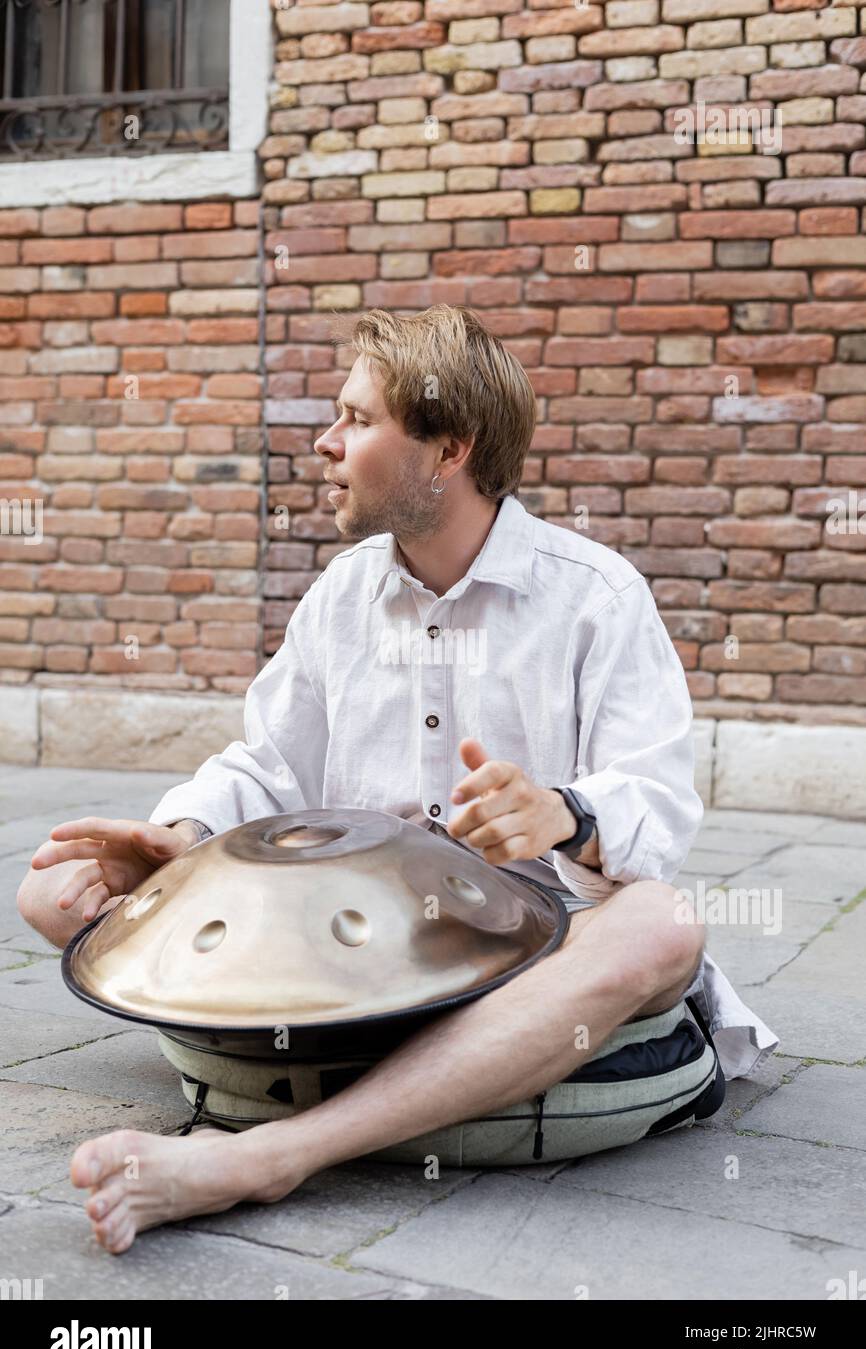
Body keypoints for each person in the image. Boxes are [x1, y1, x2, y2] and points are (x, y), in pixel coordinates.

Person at [17, 305, 779, 1256]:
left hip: (540, 941)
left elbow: (659, 805)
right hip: (360, 942)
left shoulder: (596, 595)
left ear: (448, 447)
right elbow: (268, 765)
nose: (326, 445)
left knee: (664, 924)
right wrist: (182, 834)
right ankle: (422, 1081)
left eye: (356, 419)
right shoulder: (341, 595)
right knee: (57, 890)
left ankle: (267, 1154)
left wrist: (566, 813)